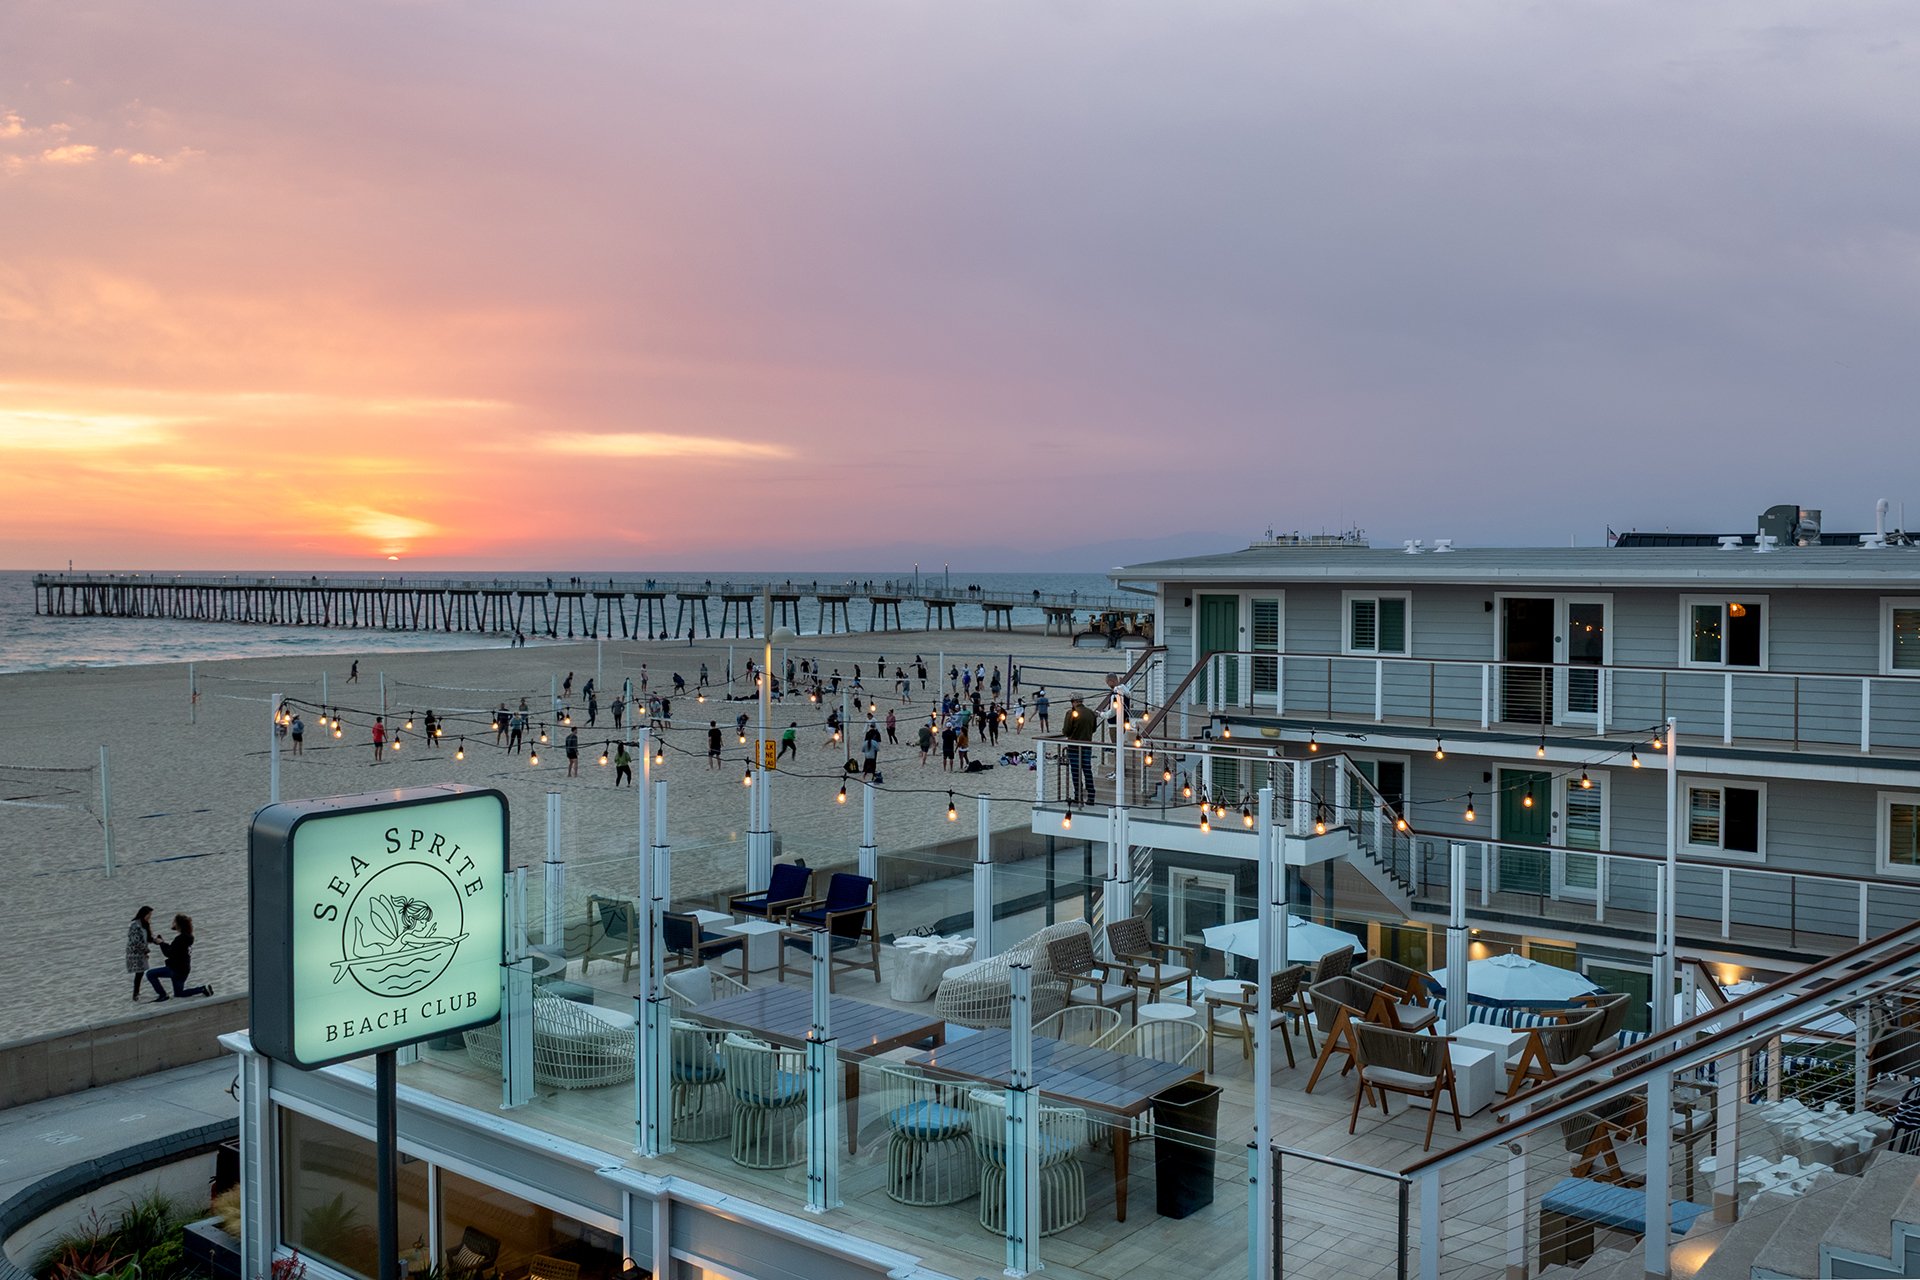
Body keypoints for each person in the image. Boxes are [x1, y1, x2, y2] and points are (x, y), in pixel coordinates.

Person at [146, 914, 212, 1001]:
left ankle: (163, 995)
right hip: (184, 970)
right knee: (179, 994)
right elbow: (174, 950)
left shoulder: (180, 938)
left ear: (179, 924)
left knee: (150, 974)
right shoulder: (188, 937)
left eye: (174, 922)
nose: (173, 923)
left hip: (176, 970)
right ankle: (202, 989)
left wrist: (161, 943)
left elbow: (168, 953)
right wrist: (162, 943)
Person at [1061, 694, 1098, 804]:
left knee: (1076, 771)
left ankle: (1078, 795)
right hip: (1087, 745)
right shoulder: (1090, 713)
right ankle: (1091, 795)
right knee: (1087, 770)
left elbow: (1066, 731)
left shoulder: (1071, 713)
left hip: (1074, 746)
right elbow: (1094, 729)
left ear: (1073, 702)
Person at [127, 906, 161, 1001]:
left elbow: (149, 938)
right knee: (139, 973)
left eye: (150, 915)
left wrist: (156, 940)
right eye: (148, 914)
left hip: (142, 951)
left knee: (140, 973)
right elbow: (135, 941)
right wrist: (145, 950)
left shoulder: (145, 924)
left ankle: (136, 994)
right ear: (143, 914)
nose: (150, 917)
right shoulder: (134, 925)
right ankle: (135, 995)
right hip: (135, 952)